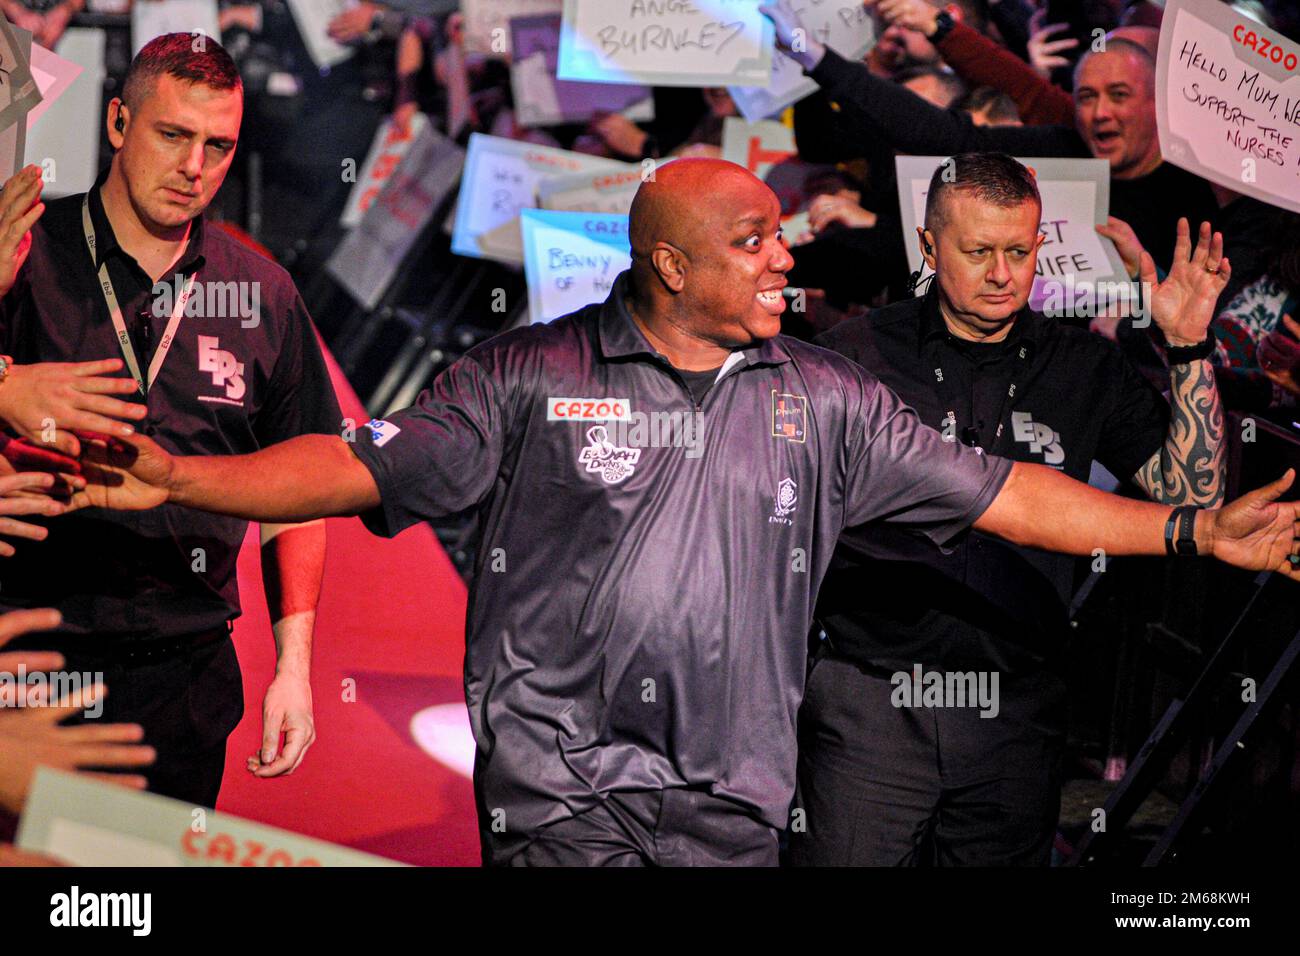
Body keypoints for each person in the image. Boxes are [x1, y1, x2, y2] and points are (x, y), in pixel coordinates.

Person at [56, 158, 1300, 867]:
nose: (782, 259)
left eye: (778, 240)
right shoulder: (525, 376)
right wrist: (185, 477)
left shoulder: (826, 398)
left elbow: (1011, 498)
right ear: (669, 265)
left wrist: (1190, 529)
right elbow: (351, 466)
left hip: (733, 811)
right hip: (561, 797)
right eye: (752, 241)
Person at [790, 152, 1229, 866]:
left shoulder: (1083, 366)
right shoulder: (853, 359)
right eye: (979, 251)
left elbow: (1192, 502)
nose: (1002, 274)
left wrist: (1187, 347)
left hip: (1017, 708)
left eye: (1020, 252)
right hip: (868, 701)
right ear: (929, 247)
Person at [0, 34, 343, 807]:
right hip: (24, 654)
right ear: (119, 123)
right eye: (174, 135)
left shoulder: (263, 294)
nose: (196, 168)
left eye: (218, 146)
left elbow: (303, 487)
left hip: (181, 675)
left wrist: (294, 668)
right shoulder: (24, 251)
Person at [764, 0, 1217, 271]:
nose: (1100, 113)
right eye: (1086, 97)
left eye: (1119, 95)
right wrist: (816, 57)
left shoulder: (1205, 187)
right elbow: (946, 136)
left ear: (1160, 103)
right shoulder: (1066, 149)